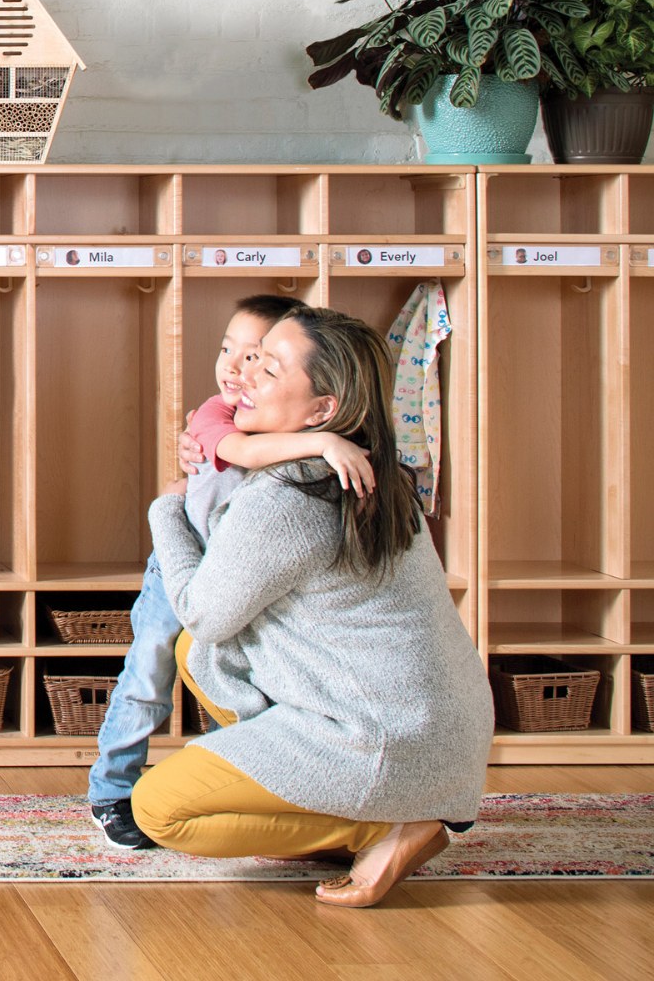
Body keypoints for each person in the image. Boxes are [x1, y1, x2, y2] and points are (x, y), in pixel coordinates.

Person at [131, 306, 494, 907]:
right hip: (441, 728)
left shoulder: (291, 492)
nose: (243, 373)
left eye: (267, 369)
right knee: (202, 655)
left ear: (322, 410)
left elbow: (202, 609)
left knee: (159, 809)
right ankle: (345, 806)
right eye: (249, 357)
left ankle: (387, 827)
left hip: (379, 739)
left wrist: (165, 508)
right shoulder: (370, 469)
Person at [88, 296, 376, 849]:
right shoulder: (219, 414)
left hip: (241, 579)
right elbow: (239, 452)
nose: (235, 367)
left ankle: (240, 781)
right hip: (181, 566)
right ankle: (112, 789)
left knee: (234, 678)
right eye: (228, 350)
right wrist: (322, 439)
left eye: (258, 360)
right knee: (148, 674)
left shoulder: (275, 426)